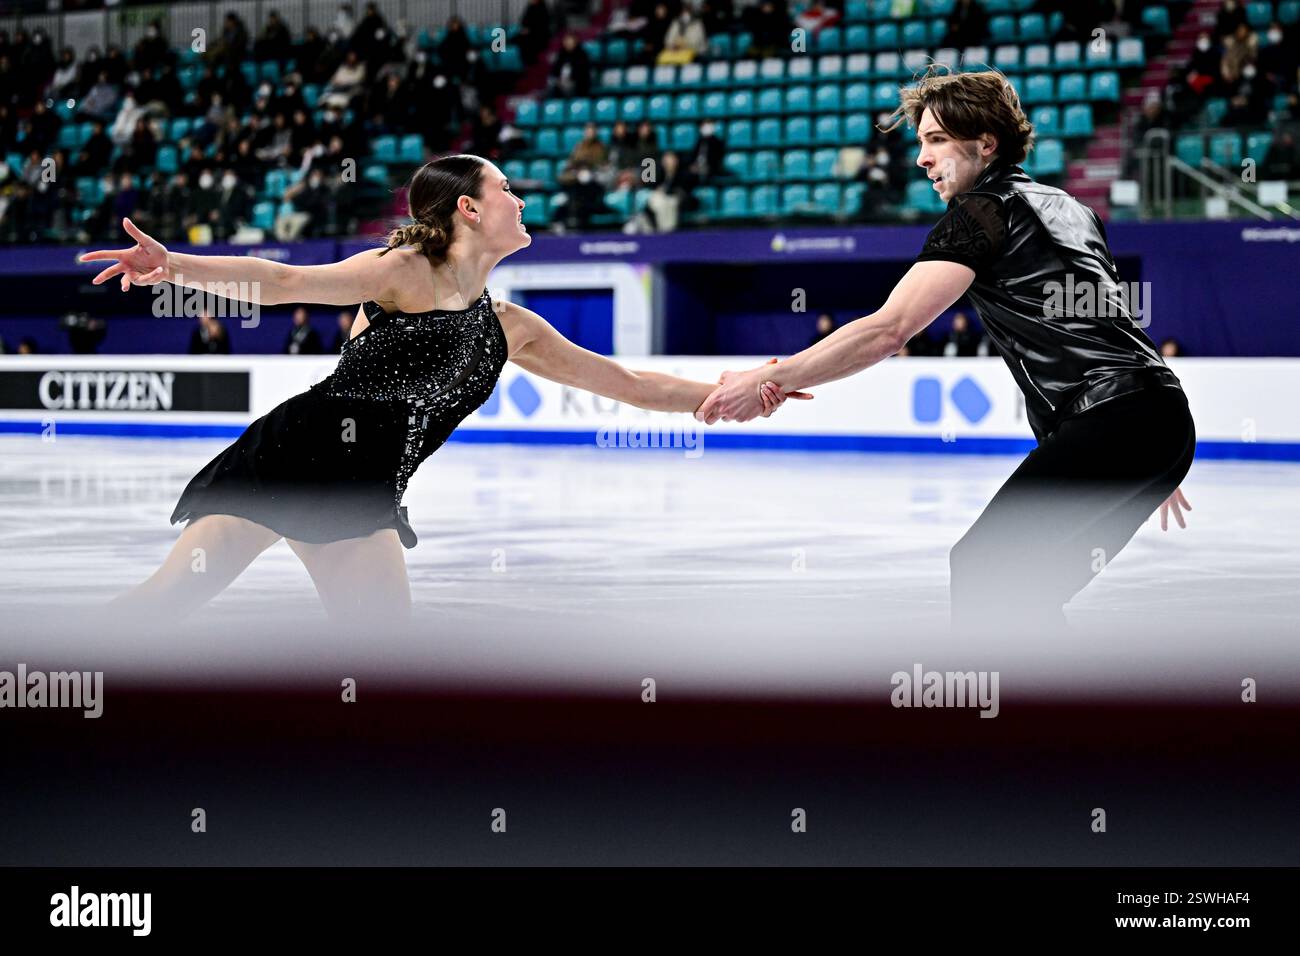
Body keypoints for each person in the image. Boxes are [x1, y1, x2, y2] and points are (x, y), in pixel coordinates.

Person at [78, 156, 807, 625]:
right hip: (291, 458)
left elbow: (628, 383)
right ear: (467, 209)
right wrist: (173, 268)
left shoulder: (510, 328)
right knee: (163, 607)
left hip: (363, 491)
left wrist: (746, 387)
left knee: (385, 666)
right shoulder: (403, 272)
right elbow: (284, 282)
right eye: (507, 189)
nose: (521, 200)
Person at [697, 68, 1196, 636]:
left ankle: (1000, 711)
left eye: (935, 140)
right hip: (1159, 421)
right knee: (1024, 594)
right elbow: (1109, 319)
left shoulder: (980, 212)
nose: (922, 160)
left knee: (984, 569)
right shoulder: (1071, 209)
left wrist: (777, 378)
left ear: (986, 143)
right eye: (920, 143)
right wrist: (1151, 443)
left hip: (1118, 424)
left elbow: (888, 330)